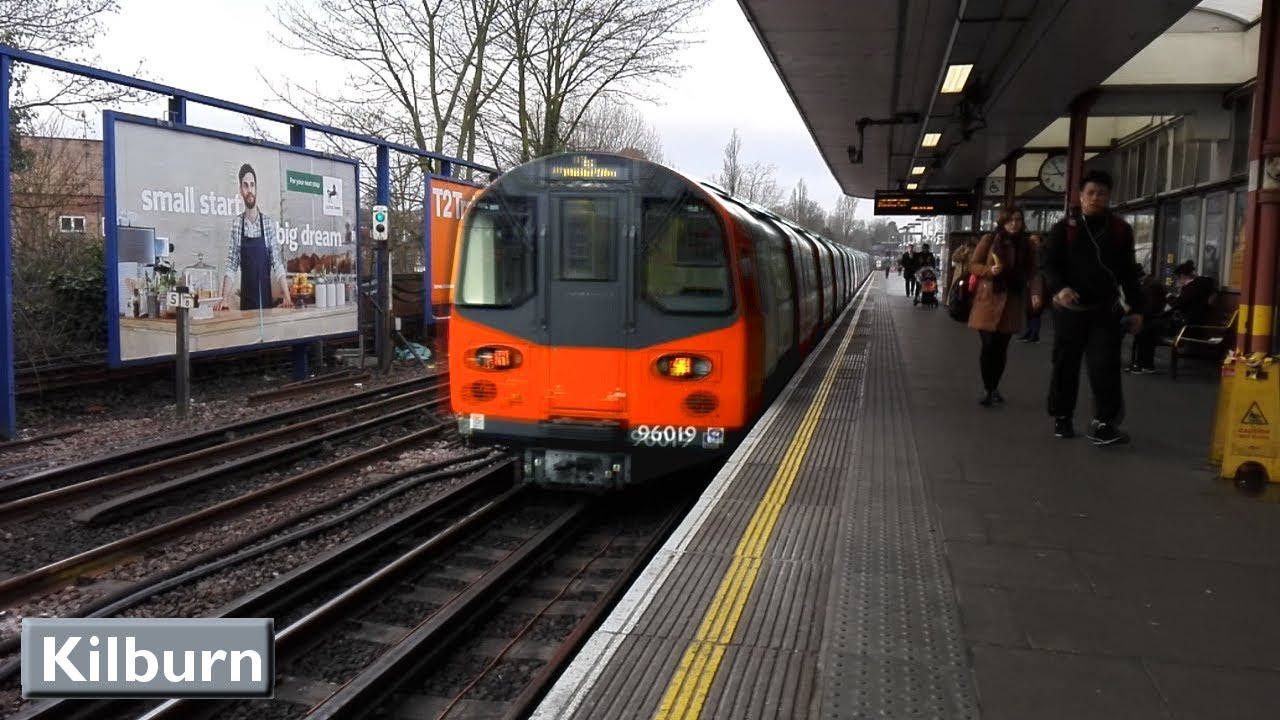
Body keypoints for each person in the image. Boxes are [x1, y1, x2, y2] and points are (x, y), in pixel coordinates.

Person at [1041, 169, 1145, 445]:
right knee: (1066, 364)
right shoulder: (1064, 229)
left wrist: (1136, 309)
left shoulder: (1121, 230)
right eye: (1090, 193)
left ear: (1109, 197)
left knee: (1105, 366)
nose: (1096, 198)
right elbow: (1049, 264)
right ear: (1080, 196)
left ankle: (1105, 423)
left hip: (1105, 310)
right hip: (1070, 310)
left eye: (1102, 193)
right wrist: (1059, 288)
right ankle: (1062, 417)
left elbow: (1128, 273)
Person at [967, 206, 1043, 406]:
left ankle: (994, 387)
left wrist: (1036, 293)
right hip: (988, 300)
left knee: (1001, 349)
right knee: (988, 346)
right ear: (1002, 222)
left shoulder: (1028, 245)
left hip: (1011, 300)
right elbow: (973, 265)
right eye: (1010, 220)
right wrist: (990, 270)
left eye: (1018, 220)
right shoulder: (989, 240)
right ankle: (987, 388)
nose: (1014, 224)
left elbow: (1033, 272)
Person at [218, 163, 292, 311]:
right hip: (246, 305)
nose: (249, 189)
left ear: (256, 188)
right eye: (245, 185)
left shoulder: (268, 224)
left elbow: (277, 263)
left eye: (252, 185)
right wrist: (224, 299)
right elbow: (232, 265)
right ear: (240, 190)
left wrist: (287, 297)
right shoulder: (237, 224)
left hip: (266, 304)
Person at [1128, 263, 1171, 374]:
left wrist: (1138, 314)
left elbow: (1151, 307)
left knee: (1142, 334)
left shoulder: (1150, 285)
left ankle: (1141, 364)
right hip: (1155, 318)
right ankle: (1145, 365)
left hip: (1153, 320)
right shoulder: (1150, 282)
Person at [1017, 234, 1046, 343]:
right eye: (1031, 240)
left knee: (1035, 310)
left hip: (1038, 283)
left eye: (1035, 240)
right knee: (1028, 310)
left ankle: (1034, 334)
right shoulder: (1029, 253)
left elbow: (1039, 271)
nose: (1033, 242)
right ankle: (1028, 332)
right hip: (1028, 284)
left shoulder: (1041, 253)